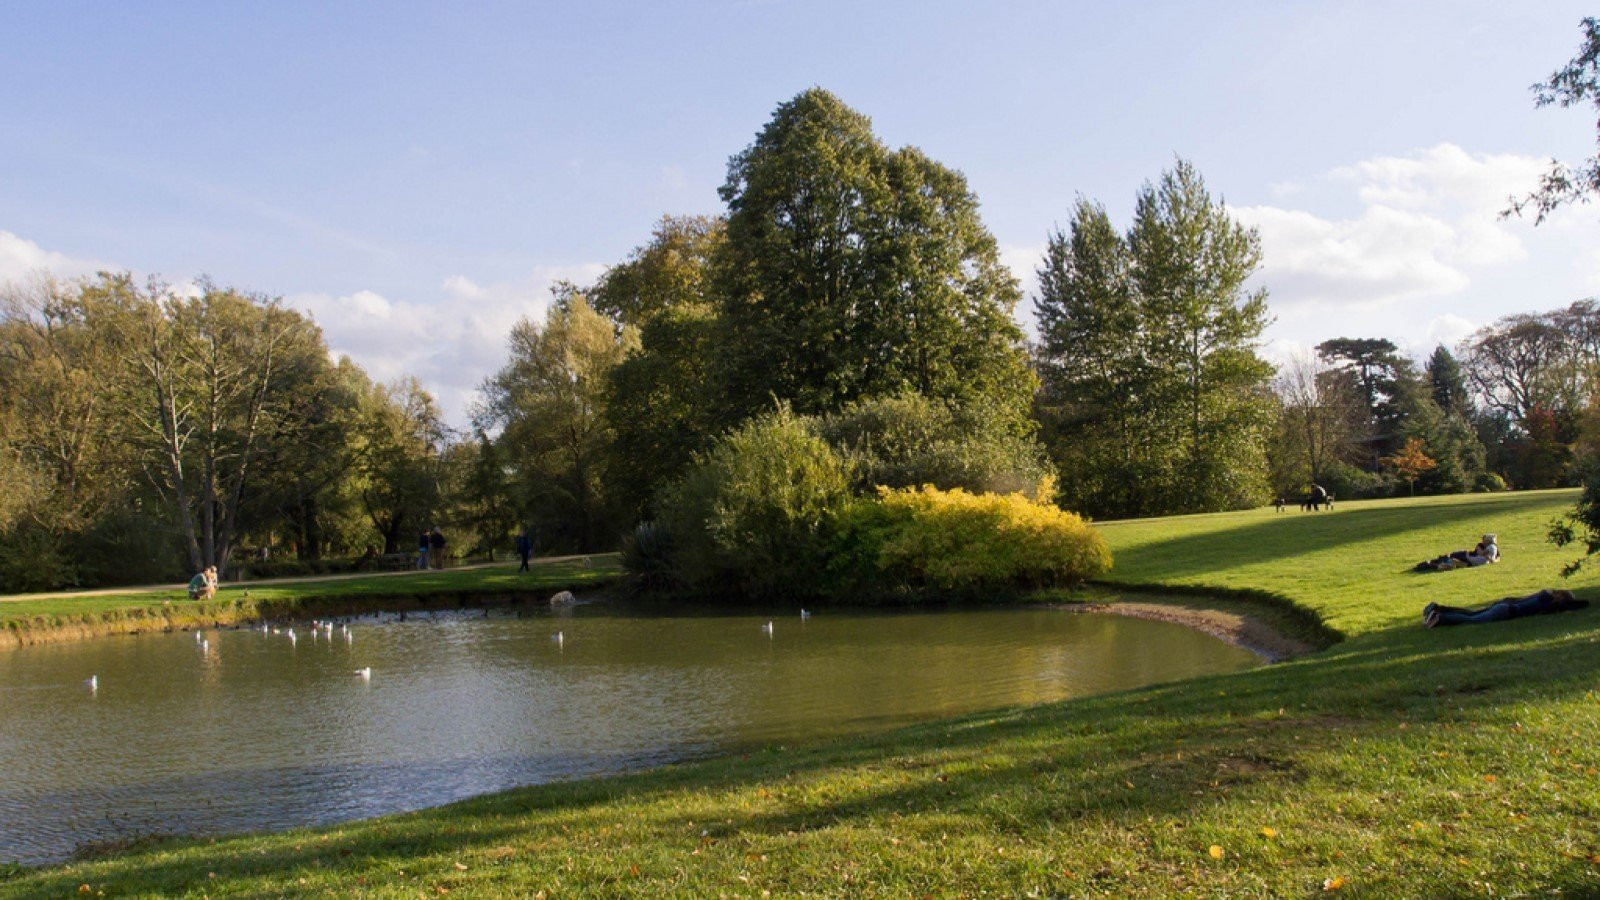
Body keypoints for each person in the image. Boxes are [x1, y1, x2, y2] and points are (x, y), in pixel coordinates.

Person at [1423, 589, 1588, 627]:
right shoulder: (1548, 602)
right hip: (1507, 611)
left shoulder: (1543, 595)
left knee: (1472, 614)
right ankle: (1440, 618)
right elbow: (1579, 605)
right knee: (1472, 620)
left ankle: (1438, 610)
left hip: (1505, 605)